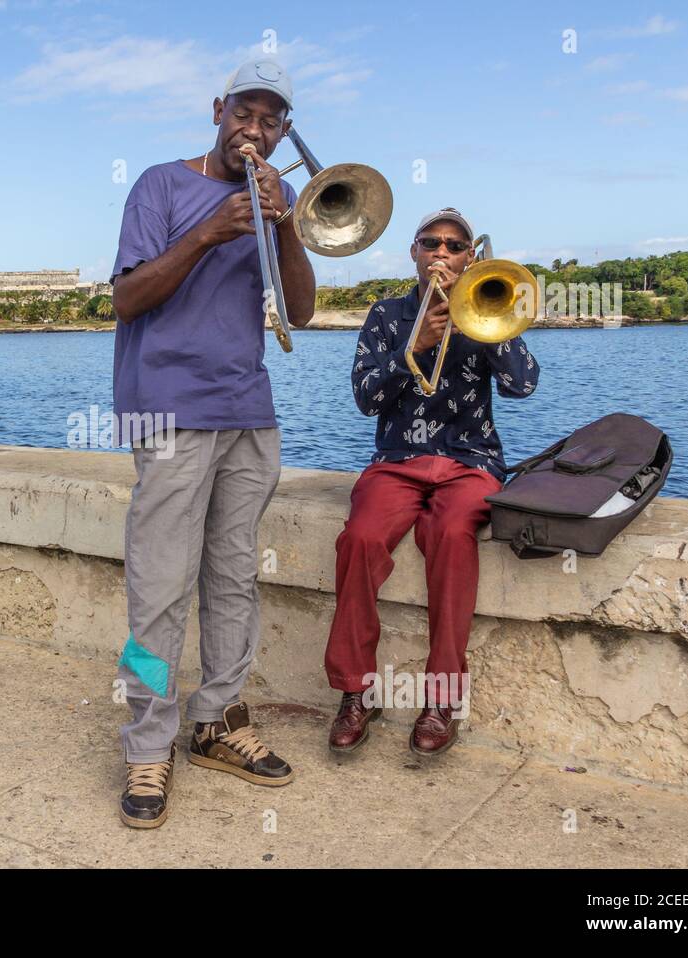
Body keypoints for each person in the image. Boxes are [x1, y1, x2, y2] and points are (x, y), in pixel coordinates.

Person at [109, 58, 316, 828]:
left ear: (284, 131)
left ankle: (218, 723)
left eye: (271, 120)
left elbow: (298, 309)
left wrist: (284, 221)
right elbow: (128, 298)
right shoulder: (161, 185)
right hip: (166, 413)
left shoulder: (279, 196)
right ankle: (145, 746)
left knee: (233, 579)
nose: (254, 130)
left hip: (248, 413)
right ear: (218, 108)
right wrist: (209, 231)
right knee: (157, 591)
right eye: (245, 113)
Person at [325, 208, 539, 757]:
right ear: (414, 253)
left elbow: (524, 385)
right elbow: (365, 398)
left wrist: (485, 314)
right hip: (397, 460)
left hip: (470, 462)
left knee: (450, 539)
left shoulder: (486, 303)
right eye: (430, 243)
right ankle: (356, 691)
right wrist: (412, 348)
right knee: (360, 539)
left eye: (454, 245)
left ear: (470, 255)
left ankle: (440, 700)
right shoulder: (386, 315)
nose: (441, 253)